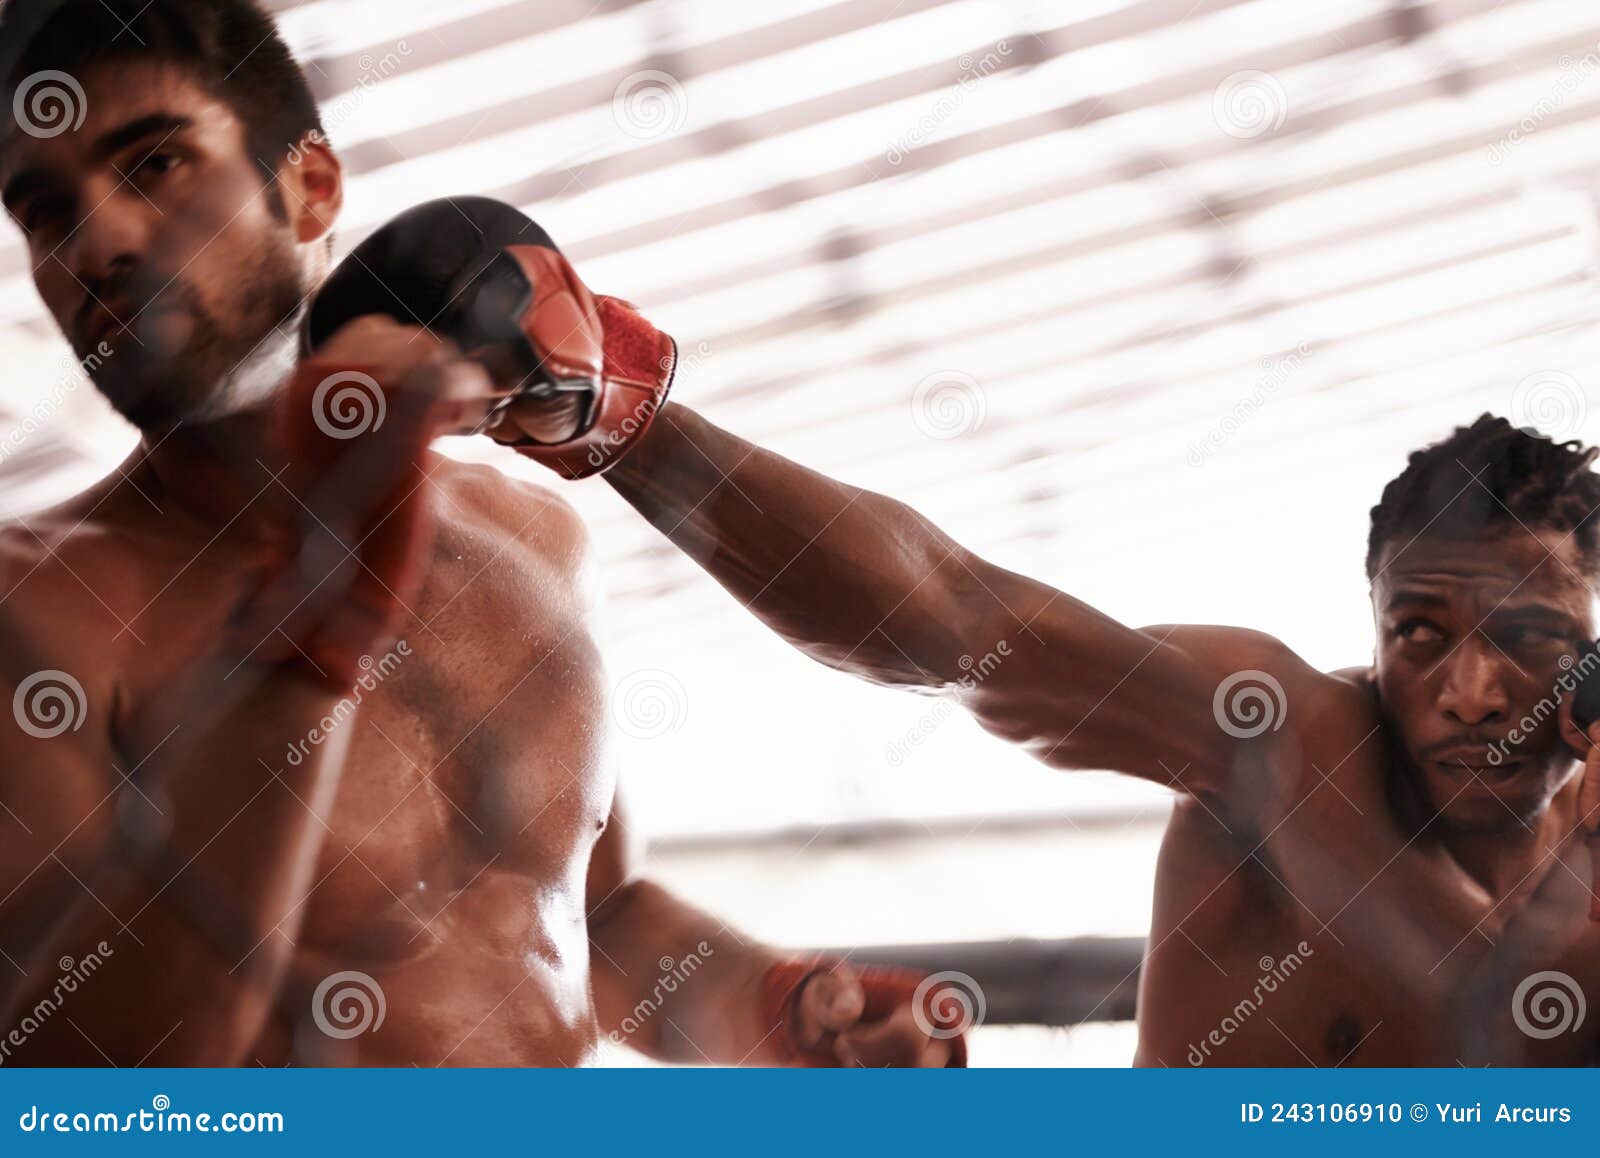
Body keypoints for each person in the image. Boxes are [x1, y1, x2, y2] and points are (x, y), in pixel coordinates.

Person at [0, 0, 963, 1068]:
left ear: (309, 186)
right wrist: (307, 619)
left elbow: (593, 925)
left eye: (156, 165)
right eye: (46, 211)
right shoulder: (36, 612)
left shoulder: (532, 534)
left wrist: (782, 1011)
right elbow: (75, 1086)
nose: (99, 241)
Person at [481, 243, 1600, 1065]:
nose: (1464, 691)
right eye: (1418, 632)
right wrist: (625, 416)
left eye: (1530, 641)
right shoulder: (1285, 736)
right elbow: (964, 625)